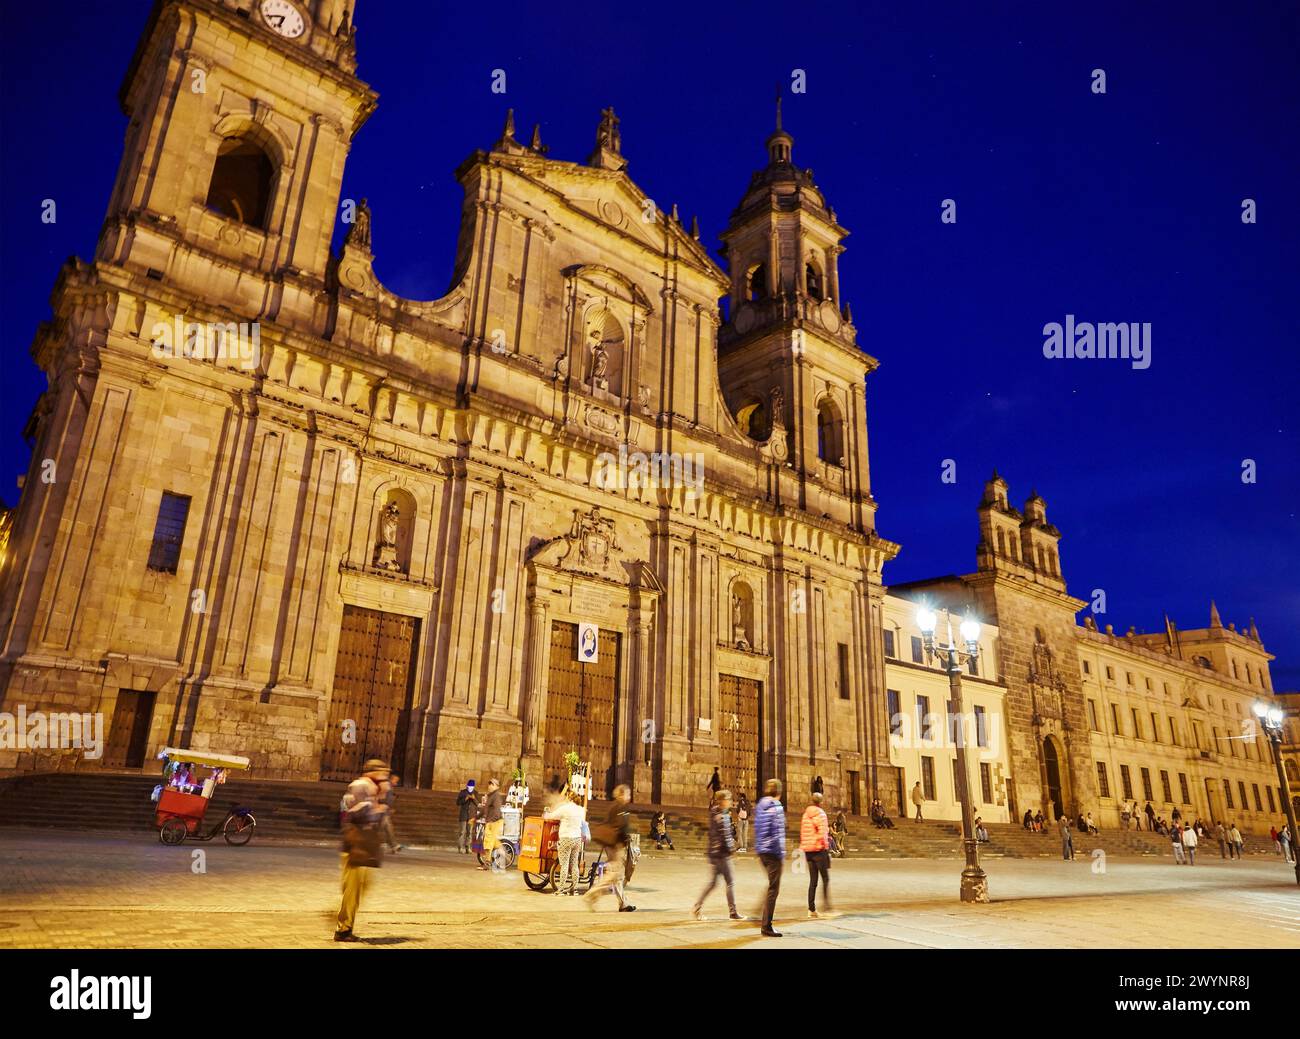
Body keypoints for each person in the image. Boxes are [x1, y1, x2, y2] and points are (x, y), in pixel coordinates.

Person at [335, 758, 390, 942]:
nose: (385, 775)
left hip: (363, 845)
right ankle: (343, 929)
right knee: (353, 888)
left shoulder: (372, 788)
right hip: (355, 845)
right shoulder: (360, 785)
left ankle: (344, 920)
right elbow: (353, 812)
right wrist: (378, 807)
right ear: (372, 771)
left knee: (361, 886)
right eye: (382, 771)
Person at [692, 789, 743, 921]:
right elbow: (725, 836)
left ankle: (698, 906)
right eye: (729, 799)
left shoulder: (715, 813)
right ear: (722, 801)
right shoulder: (722, 815)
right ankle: (733, 912)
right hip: (722, 853)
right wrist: (732, 849)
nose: (731, 802)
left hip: (715, 853)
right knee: (730, 882)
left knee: (713, 883)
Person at [585, 784, 637, 912]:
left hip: (611, 843)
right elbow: (620, 826)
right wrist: (625, 839)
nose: (629, 797)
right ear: (621, 794)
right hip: (616, 844)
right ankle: (592, 894)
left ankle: (623, 903)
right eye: (627, 794)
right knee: (614, 874)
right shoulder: (620, 807)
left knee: (616, 875)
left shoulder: (615, 806)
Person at [753, 779, 786, 937]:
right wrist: (781, 854)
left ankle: (762, 913)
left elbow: (758, 827)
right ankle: (766, 925)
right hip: (773, 851)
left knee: (771, 886)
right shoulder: (776, 806)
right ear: (778, 792)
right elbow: (778, 831)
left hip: (762, 850)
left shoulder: (760, 805)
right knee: (774, 888)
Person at [543, 791, 586, 895]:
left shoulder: (565, 808)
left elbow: (551, 816)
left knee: (565, 864)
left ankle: (561, 889)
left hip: (566, 838)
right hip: (577, 839)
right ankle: (574, 889)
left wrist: (546, 813)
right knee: (574, 864)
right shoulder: (581, 810)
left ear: (569, 799)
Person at [801, 792, 832, 919]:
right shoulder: (821, 814)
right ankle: (826, 906)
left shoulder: (805, 815)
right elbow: (823, 833)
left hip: (808, 850)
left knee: (813, 880)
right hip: (819, 850)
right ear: (820, 801)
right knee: (825, 878)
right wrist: (825, 847)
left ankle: (811, 909)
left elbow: (803, 832)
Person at [479, 778, 504, 870]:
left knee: (489, 842)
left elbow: (497, 811)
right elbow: (485, 808)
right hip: (490, 821)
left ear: (497, 786)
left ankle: (488, 863)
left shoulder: (496, 796)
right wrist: (476, 817)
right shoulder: (490, 796)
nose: (490, 786)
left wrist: (492, 820)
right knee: (492, 842)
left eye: (492, 784)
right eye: (489, 784)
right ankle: (503, 854)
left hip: (494, 822)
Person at [380, 772, 403, 853]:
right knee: (386, 828)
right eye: (395, 780)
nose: (396, 783)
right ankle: (394, 846)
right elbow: (382, 798)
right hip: (381, 810)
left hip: (384, 811)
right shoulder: (386, 786)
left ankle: (394, 846)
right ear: (391, 779)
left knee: (387, 828)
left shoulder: (390, 787)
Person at [455, 779, 477, 854]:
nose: (470, 787)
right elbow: (458, 802)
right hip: (463, 815)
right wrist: (465, 798)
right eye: (469, 786)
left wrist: (474, 799)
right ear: (467, 786)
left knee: (469, 832)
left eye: (472, 786)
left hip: (471, 815)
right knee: (462, 832)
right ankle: (460, 847)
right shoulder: (463, 792)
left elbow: (478, 803)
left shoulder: (475, 793)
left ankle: (468, 847)